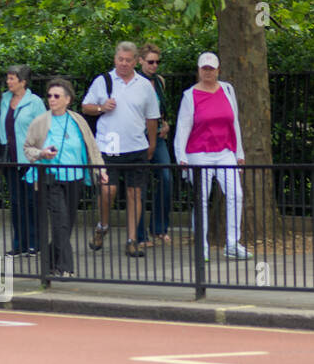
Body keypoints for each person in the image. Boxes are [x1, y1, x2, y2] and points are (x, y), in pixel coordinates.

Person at [81, 41, 160, 258]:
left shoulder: (144, 85)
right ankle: (102, 226)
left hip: (136, 147)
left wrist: (151, 144)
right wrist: (101, 107)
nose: (124, 64)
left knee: (135, 193)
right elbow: (85, 106)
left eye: (128, 60)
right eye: (120, 59)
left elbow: (152, 117)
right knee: (108, 191)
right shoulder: (103, 81)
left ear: (135, 61)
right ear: (115, 59)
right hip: (108, 147)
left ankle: (132, 240)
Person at [25, 78, 107, 277]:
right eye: (50, 96)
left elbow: (91, 147)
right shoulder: (41, 122)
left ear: (67, 99)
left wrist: (100, 170)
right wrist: (42, 153)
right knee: (60, 221)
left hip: (75, 178)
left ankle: (50, 263)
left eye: (56, 96)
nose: (51, 100)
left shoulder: (78, 120)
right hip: (51, 178)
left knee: (67, 223)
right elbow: (28, 148)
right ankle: (65, 267)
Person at [174, 52, 250, 261]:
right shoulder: (190, 95)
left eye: (211, 68)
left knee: (236, 194)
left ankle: (233, 243)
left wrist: (239, 152)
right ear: (199, 70)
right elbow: (183, 127)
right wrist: (181, 157)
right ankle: (202, 246)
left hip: (225, 151)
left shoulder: (227, 89)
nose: (208, 72)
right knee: (201, 199)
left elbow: (234, 122)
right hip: (199, 153)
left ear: (217, 70)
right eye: (204, 68)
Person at [0, 65, 45, 257]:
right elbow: (2, 127)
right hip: (11, 158)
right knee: (16, 203)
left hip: (30, 159)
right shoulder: (5, 99)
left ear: (23, 82)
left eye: (12, 79)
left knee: (31, 202)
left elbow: (44, 130)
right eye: (8, 78)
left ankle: (35, 243)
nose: (8, 82)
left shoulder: (35, 102)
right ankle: (19, 243)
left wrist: (39, 156)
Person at [135, 43, 174, 246]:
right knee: (139, 183)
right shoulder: (133, 82)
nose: (154, 66)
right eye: (150, 62)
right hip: (138, 137)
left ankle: (159, 227)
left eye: (157, 62)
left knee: (166, 177)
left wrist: (165, 124)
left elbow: (162, 110)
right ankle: (140, 235)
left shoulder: (159, 81)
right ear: (140, 61)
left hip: (158, 136)